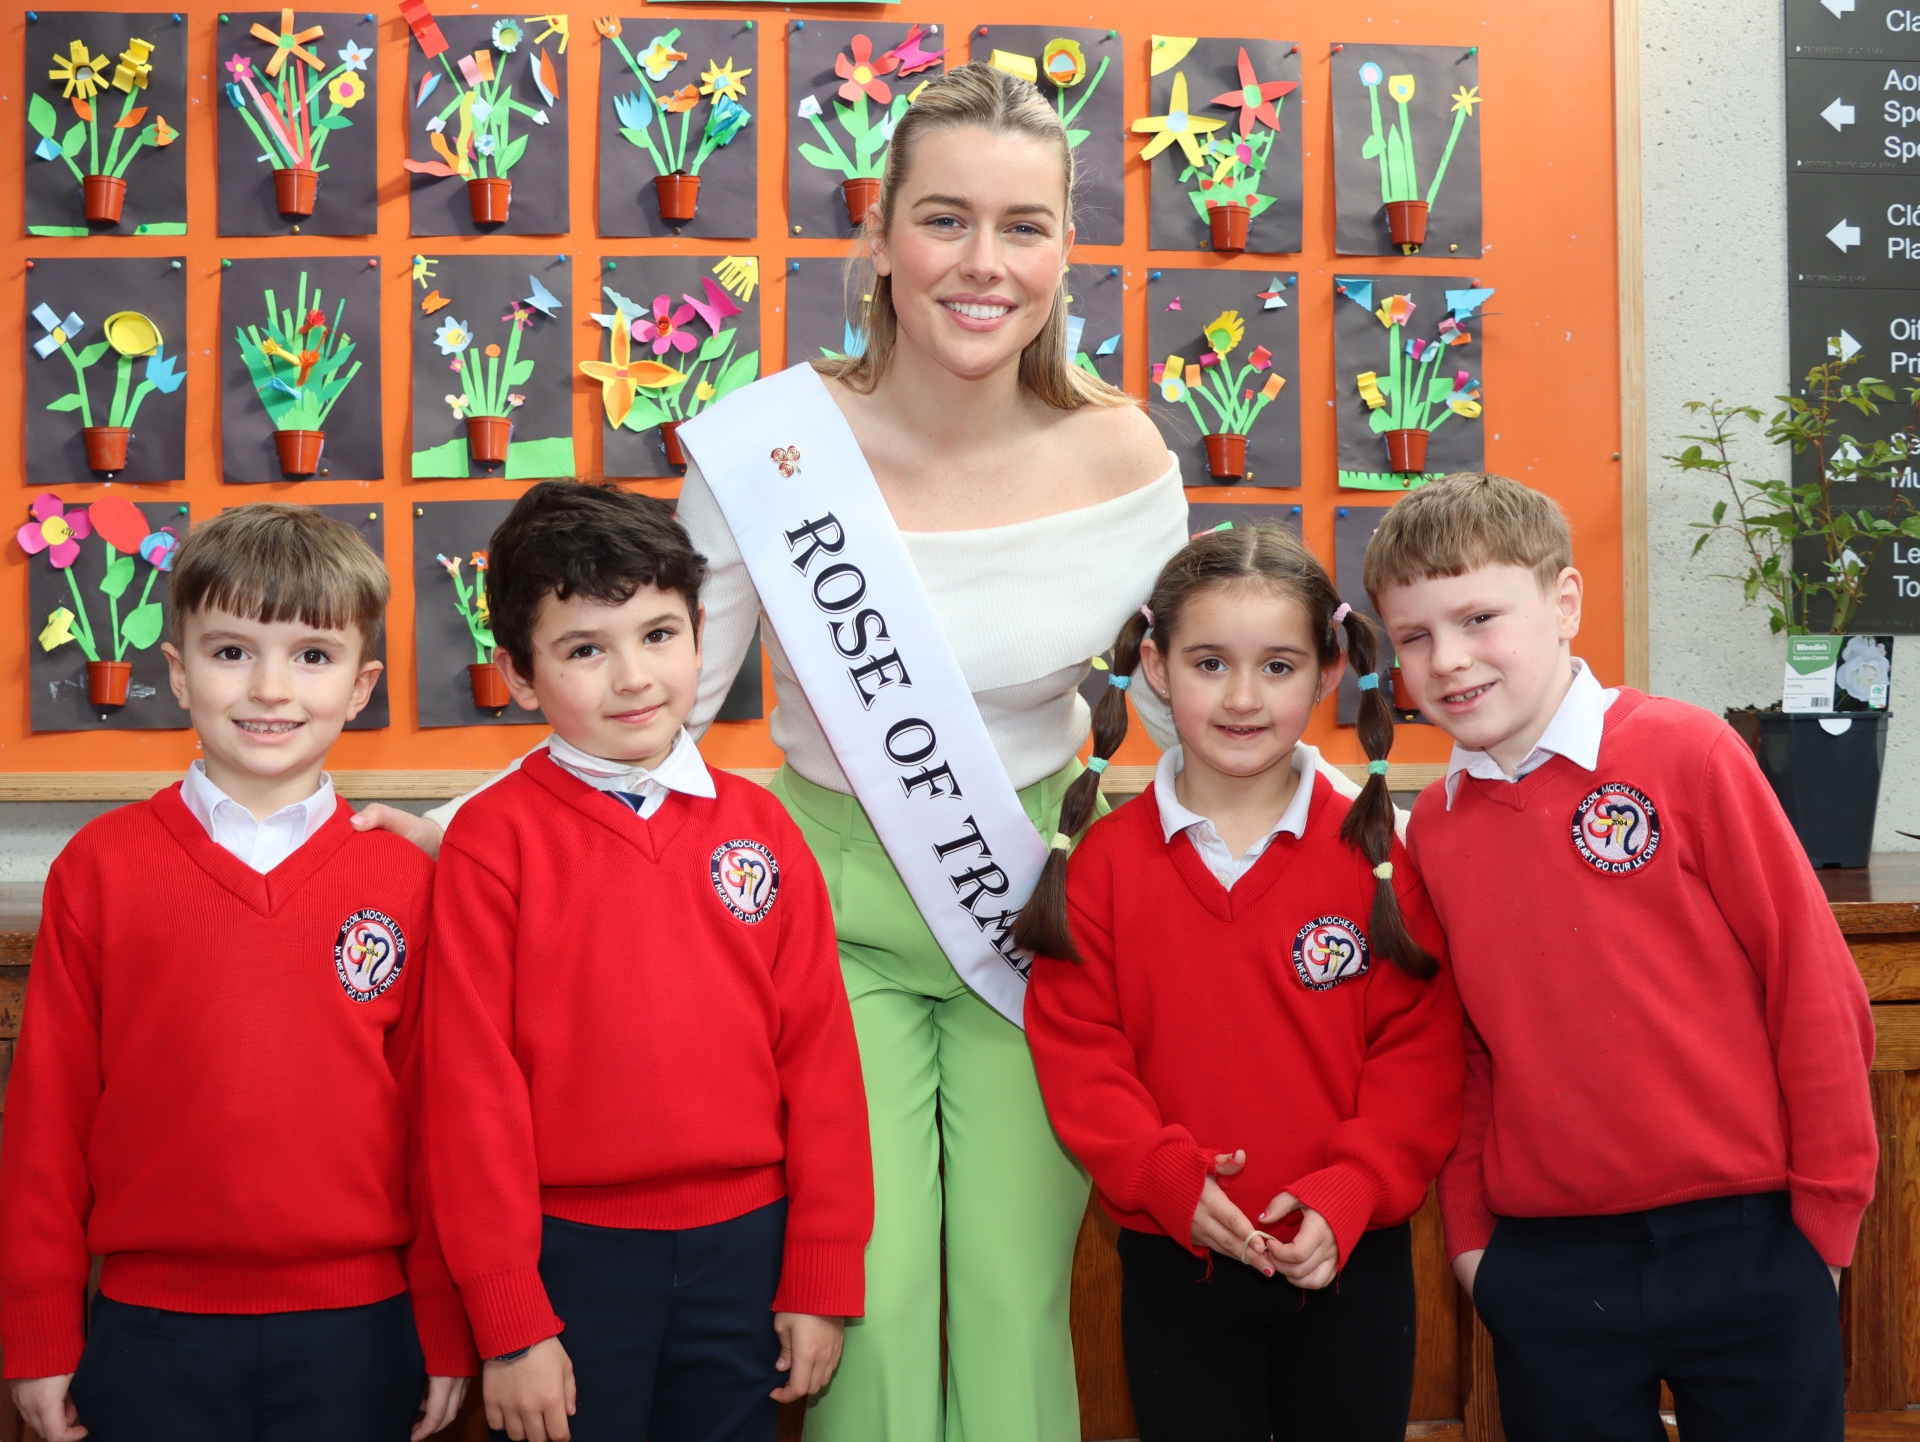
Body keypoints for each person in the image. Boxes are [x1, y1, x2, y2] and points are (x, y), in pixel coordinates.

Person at [354, 64, 1364, 1442]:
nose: (983, 264)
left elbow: (1195, 704)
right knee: (865, 1308)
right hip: (814, 911)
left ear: (1066, 250)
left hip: (1041, 916)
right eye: (945, 219)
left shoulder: (1128, 453)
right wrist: (461, 822)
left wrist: (1349, 822)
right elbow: (666, 697)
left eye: (1024, 226)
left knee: (1013, 1304)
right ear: (879, 234)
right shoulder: (772, 448)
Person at [1365, 473, 1878, 1442]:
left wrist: (1825, 1223)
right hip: (1551, 1268)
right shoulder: (1432, 827)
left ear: (1563, 603)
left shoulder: (1688, 753)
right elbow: (1464, 1049)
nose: (1450, 658)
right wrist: (1476, 1242)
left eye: (1479, 616)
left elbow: (1811, 985)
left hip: (1752, 1238)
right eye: (1415, 636)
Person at [0, 504, 474, 1442]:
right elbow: (47, 1120)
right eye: (230, 653)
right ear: (177, 673)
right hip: (150, 1331)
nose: (269, 688)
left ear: (361, 684)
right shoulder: (99, 868)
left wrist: (448, 1326)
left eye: (311, 655)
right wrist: (42, 1334)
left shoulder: (408, 879)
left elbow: (444, 1125)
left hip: (363, 1330)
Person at [421, 482, 872, 1442]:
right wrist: (510, 1325)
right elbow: (470, 1094)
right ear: (522, 674)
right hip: (567, 1262)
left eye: (659, 634)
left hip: (747, 1254)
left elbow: (822, 1066)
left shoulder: (763, 829)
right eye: (587, 649)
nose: (634, 677)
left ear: (701, 633)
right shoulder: (490, 843)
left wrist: (821, 1275)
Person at [1019, 525, 1464, 1442]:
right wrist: (1165, 1179)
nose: (1241, 698)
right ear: (1155, 663)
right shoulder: (1101, 863)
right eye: (1210, 662)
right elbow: (1080, 1053)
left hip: (1352, 1260)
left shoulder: (1381, 857)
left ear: (1329, 672)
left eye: (1278, 667)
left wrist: (1351, 1190)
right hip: (1176, 1261)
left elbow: (1417, 1053)